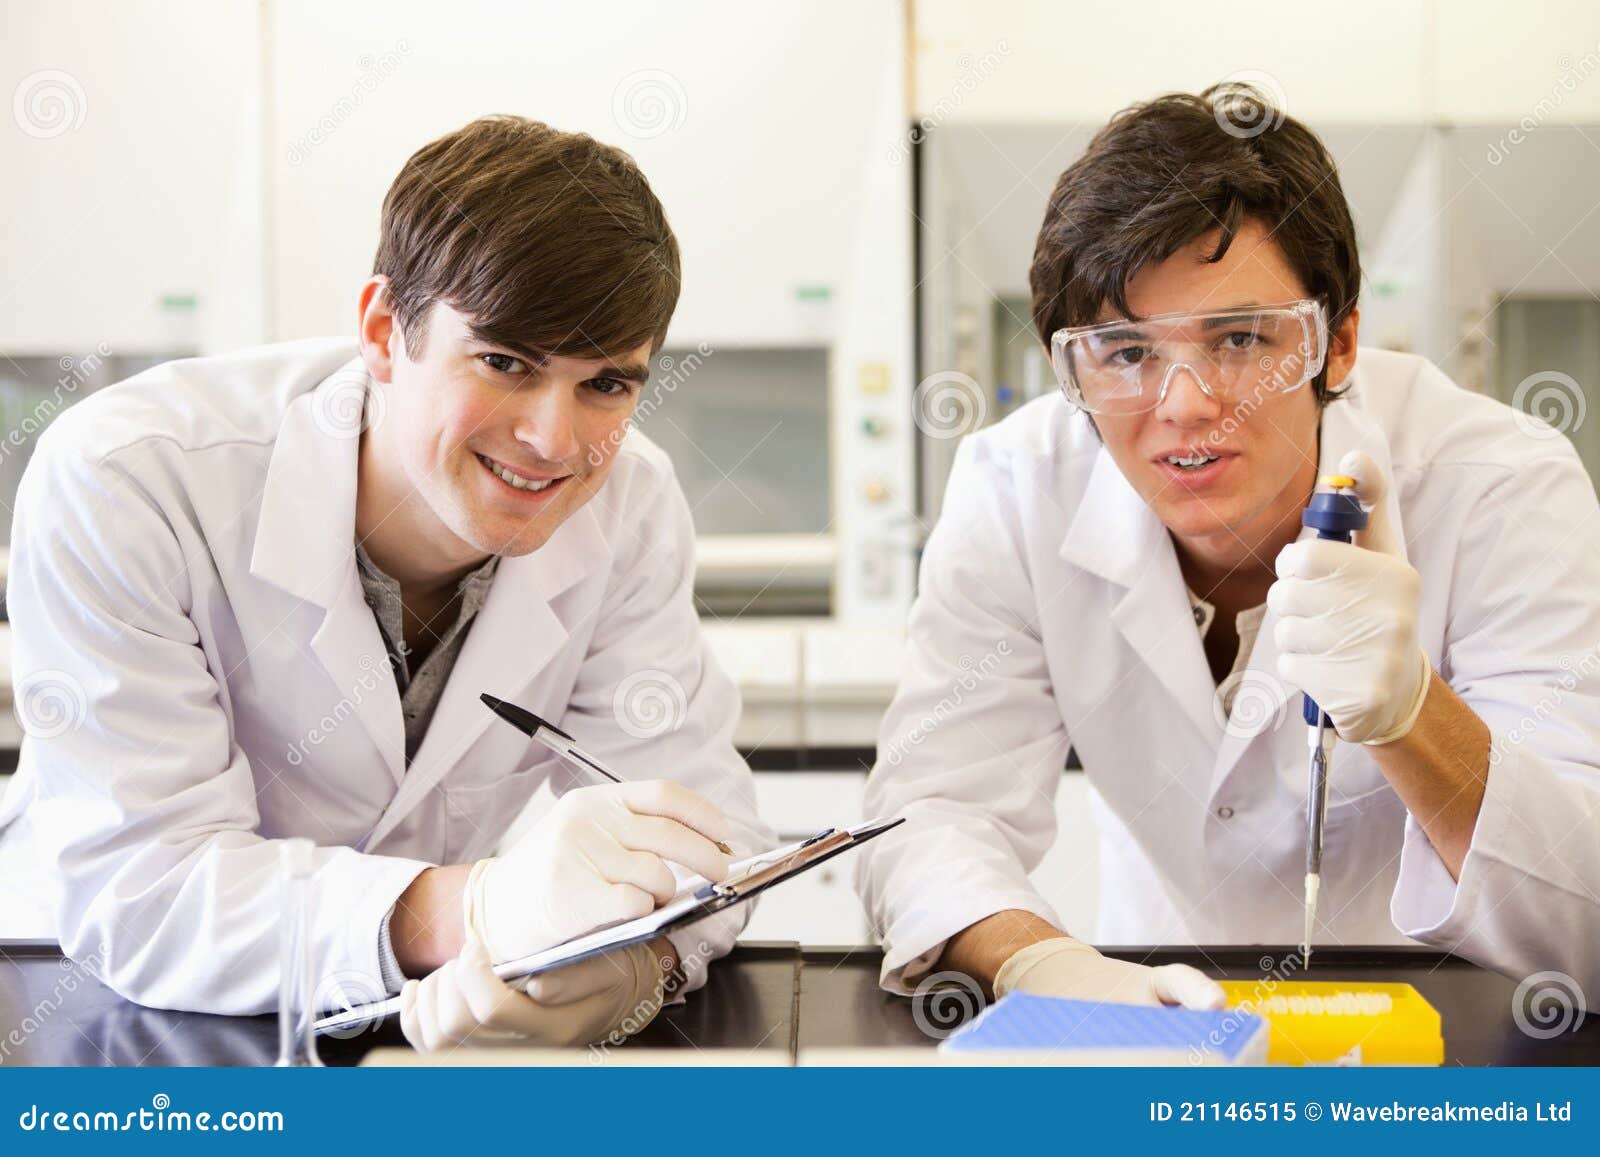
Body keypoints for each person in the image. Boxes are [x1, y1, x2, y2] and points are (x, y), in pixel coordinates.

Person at [0, 115, 774, 1051]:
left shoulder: (629, 501)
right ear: (381, 330)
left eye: (606, 384)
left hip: (412, 1010)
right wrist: (482, 908)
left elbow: (705, 836)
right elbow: (150, 888)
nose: (553, 440)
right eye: (505, 362)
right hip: (100, 1012)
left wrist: (631, 969)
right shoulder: (132, 478)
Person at [857, 84, 1600, 1009]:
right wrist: (1045, 966)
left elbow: (1585, 912)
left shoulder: (1499, 486)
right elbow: (929, 816)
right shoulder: (1017, 489)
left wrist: (1413, 713)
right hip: (1157, 1016)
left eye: (1240, 338)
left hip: (1453, 1032)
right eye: (1126, 352)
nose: (1185, 404)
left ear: (1338, 344)